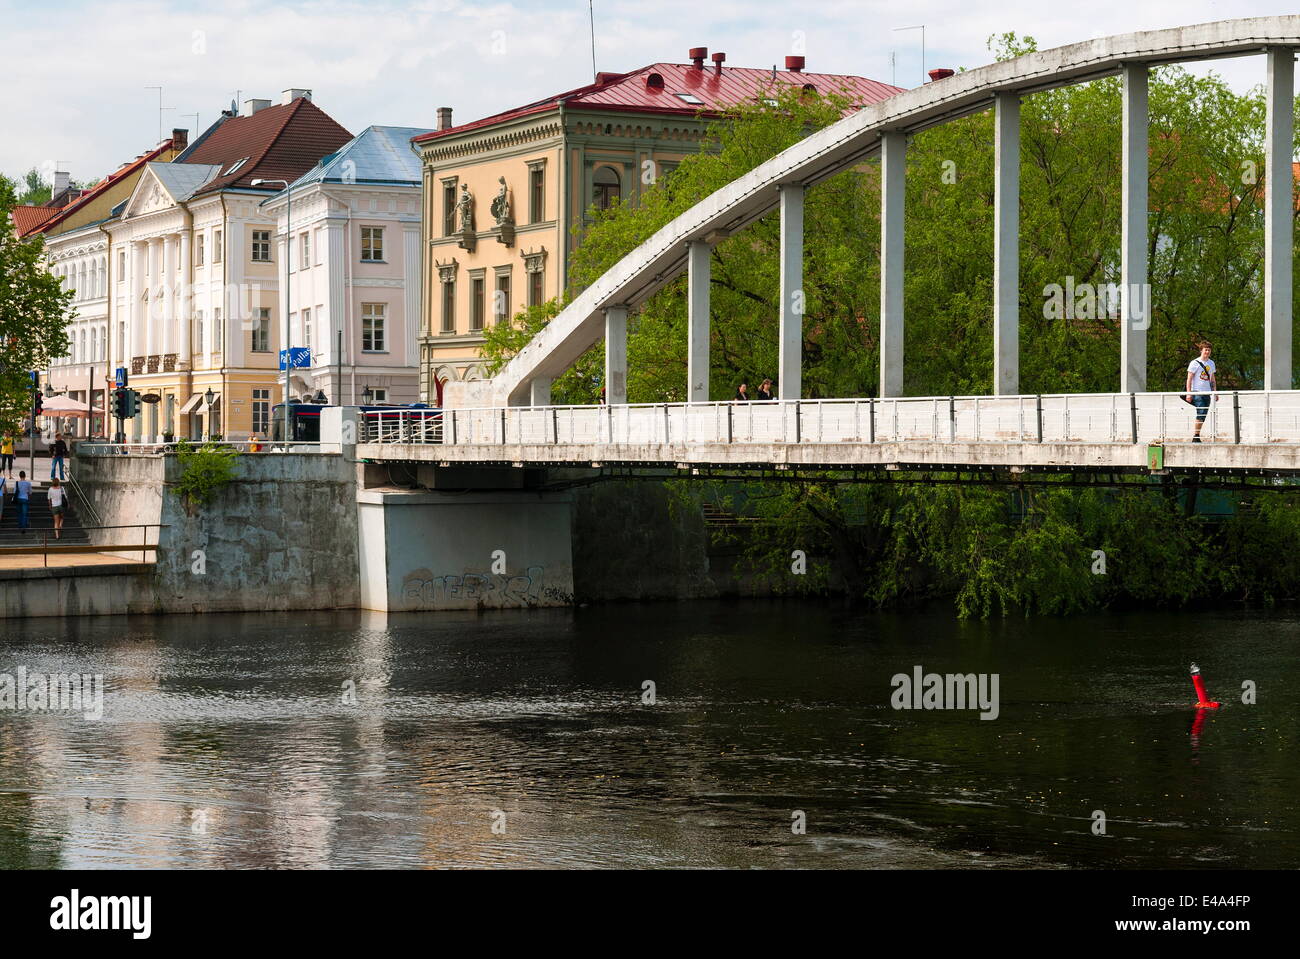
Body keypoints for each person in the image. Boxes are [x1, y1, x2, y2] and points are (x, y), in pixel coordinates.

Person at [1184, 341, 1218, 443]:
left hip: (1207, 392)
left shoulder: (1211, 363)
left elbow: (1212, 379)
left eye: (1209, 350)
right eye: (1205, 350)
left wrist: (1215, 392)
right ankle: (1196, 435)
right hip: (1197, 392)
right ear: (1201, 350)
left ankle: (1196, 436)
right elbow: (1189, 379)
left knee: (1203, 414)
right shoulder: (1194, 363)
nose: (1207, 352)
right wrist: (1189, 393)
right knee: (1201, 412)